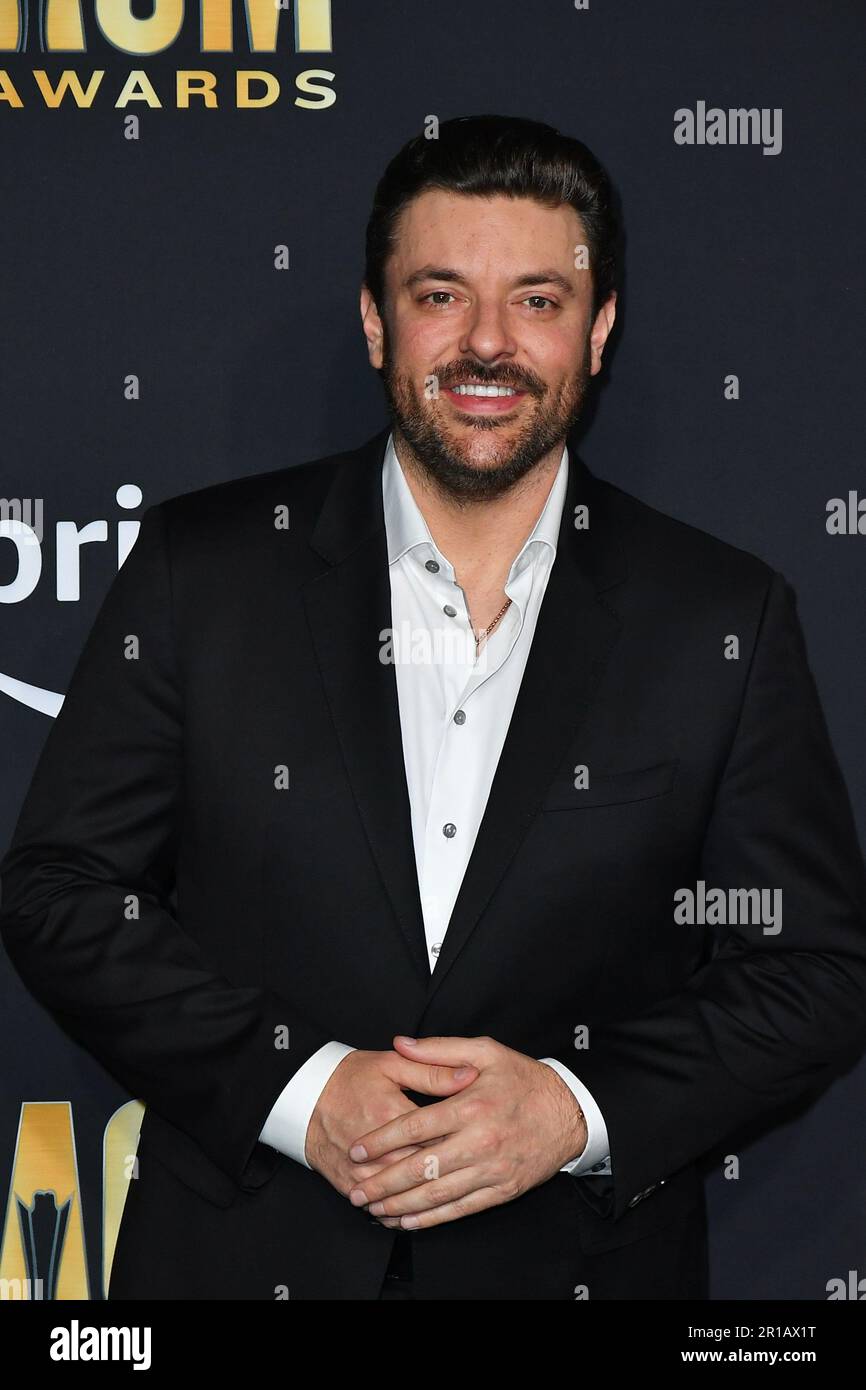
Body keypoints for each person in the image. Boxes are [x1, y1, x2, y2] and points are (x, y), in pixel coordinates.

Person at [2, 114, 865, 1301]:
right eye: (441, 294)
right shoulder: (201, 572)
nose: (487, 346)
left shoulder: (718, 614)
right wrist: (299, 1091)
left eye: (538, 302)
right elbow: (63, 890)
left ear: (598, 330)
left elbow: (810, 966)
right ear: (374, 319)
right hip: (240, 1261)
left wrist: (572, 1108)